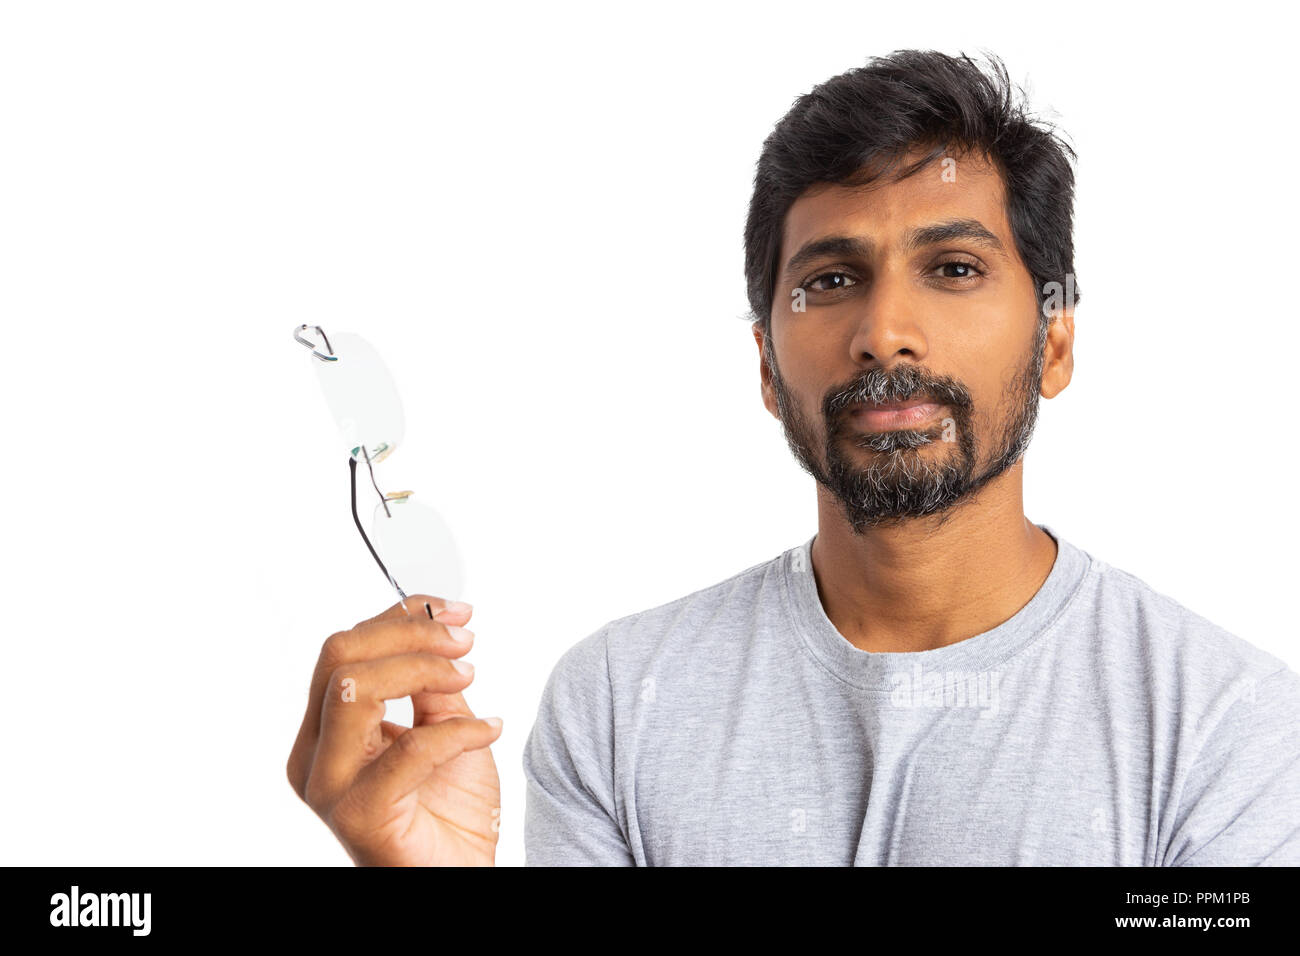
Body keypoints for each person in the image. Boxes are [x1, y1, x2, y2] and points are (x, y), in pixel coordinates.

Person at [287, 49, 1300, 866]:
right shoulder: (618, 703)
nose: (885, 330)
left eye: (953, 268)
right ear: (767, 363)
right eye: (830, 277)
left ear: (1056, 342)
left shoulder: (1225, 726)